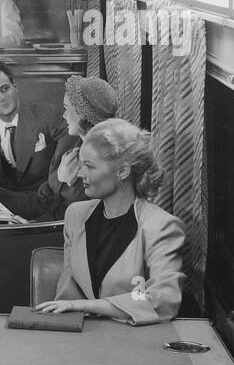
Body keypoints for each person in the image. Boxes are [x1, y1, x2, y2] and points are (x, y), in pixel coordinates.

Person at [36, 118, 185, 325]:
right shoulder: (76, 215)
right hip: (81, 339)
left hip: (134, 340)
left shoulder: (160, 226)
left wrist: (88, 306)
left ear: (122, 172)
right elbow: (67, 291)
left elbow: (162, 299)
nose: (80, 173)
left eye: (89, 166)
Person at [0, 75, 118, 222]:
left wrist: (31, 225)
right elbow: (42, 201)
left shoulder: (103, 163)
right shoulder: (68, 146)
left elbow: (84, 219)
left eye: (67, 109)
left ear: (83, 114)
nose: (64, 116)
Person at [0, 60, 67, 194]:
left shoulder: (47, 116)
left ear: (15, 86)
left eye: (4, 89)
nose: (1, 98)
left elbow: (72, 140)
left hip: (39, 201)